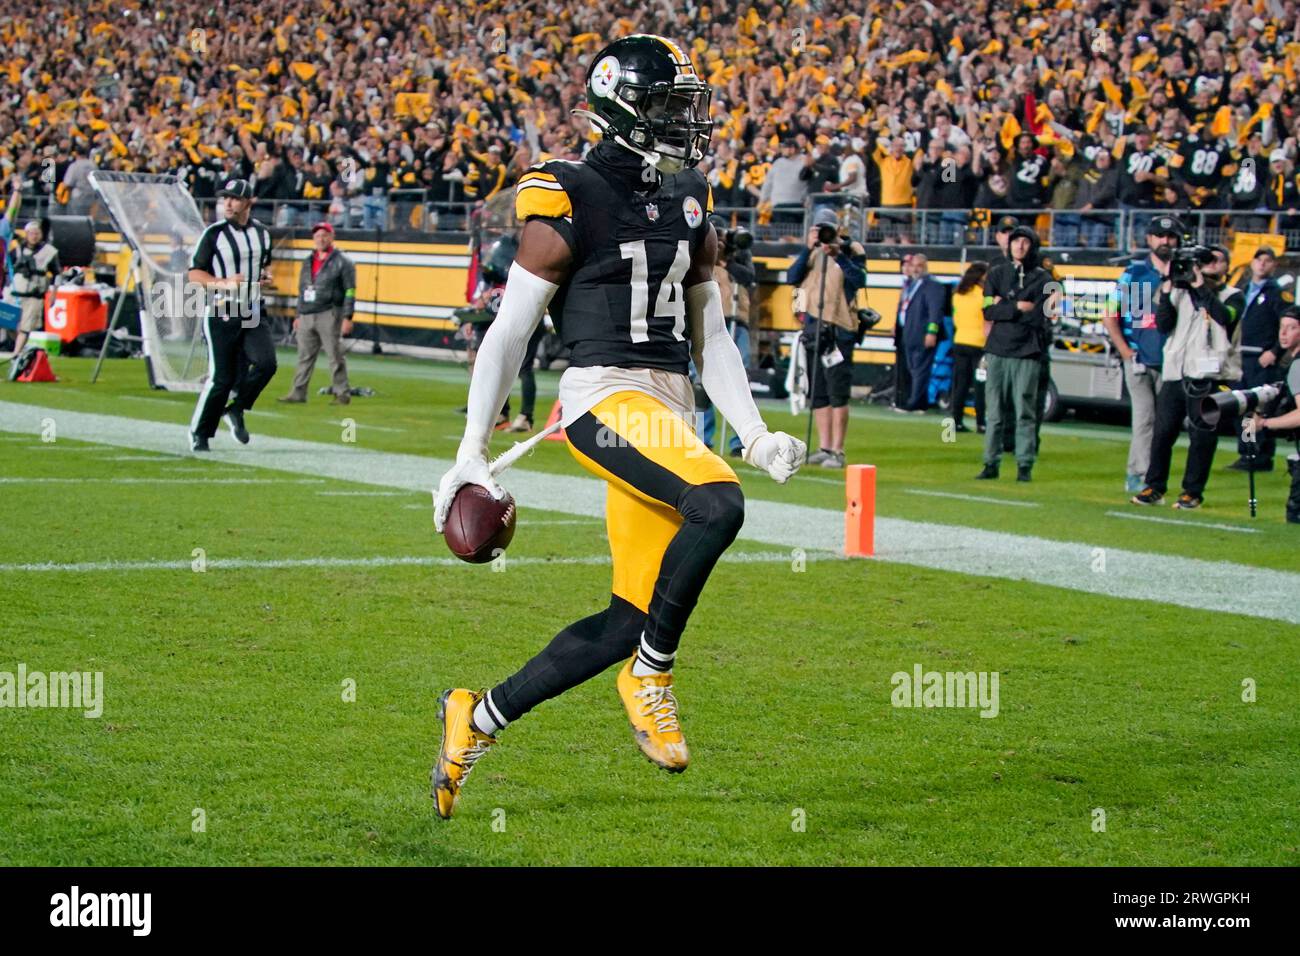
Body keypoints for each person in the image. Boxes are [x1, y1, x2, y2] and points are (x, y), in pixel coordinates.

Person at [429, 36, 806, 820]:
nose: (683, 122)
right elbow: (509, 333)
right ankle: (653, 674)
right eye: (669, 106)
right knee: (719, 504)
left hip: (668, 407)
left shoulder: (688, 193)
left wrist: (756, 431)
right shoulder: (565, 189)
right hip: (603, 399)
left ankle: (477, 714)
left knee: (623, 620)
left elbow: (711, 335)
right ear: (620, 108)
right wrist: (472, 450)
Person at [1131, 237, 1241, 510]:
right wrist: (1168, 289)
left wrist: (1200, 286)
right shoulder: (1181, 291)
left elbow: (1224, 317)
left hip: (1211, 376)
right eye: (1206, 260)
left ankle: (1192, 492)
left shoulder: (1233, 295)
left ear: (1227, 267)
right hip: (1176, 372)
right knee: (1162, 432)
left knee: (1202, 435)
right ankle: (1154, 486)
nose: (1210, 265)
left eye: (1217, 260)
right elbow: (1164, 325)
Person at [186, 178, 277, 452]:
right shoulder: (214, 233)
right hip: (222, 309)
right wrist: (223, 282)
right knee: (222, 378)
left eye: (234, 198)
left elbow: (263, 265)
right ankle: (200, 433)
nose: (227, 203)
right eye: (225, 198)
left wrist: (263, 278)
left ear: (248, 202)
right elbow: (194, 273)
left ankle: (236, 409)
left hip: (251, 308)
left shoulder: (262, 233)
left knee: (267, 363)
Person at [1103, 216, 1180, 493]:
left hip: (1170, 360)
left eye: (1170, 237)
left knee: (1165, 423)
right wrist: (1125, 351)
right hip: (1138, 357)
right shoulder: (1133, 273)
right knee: (1145, 418)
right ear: (1149, 239)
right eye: (1160, 236)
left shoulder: (1182, 274)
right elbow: (1109, 314)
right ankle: (1138, 473)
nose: (1165, 241)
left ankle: (1154, 474)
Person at [788, 208, 867, 468]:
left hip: (839, 327)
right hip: (814, 326)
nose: (823, 233)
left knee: (838, 391)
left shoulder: (852, 249)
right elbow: (792, 277)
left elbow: (859, 280)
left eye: (827, 228)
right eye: (818, 228)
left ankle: (837, 450)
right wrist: (808, 249)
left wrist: (839, 254)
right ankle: (824, 445)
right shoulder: (811, 253)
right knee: (819, 391)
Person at [977, 226, 1052, 482]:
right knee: (995, 413)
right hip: (997, 350)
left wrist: (1005, 306)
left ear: (1033, 246)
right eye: (1016, 241)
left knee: (1024, 412)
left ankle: (1024, 465)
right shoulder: (997, 273)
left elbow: (1042, 317)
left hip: (1027, 352)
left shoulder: (1045, 278)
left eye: (1025, 242)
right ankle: (990, 463)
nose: (1020, 246)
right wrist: (1019, 307)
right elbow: (987, 311)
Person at [279, 222, 356, 405]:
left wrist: (348, 317)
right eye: (317, 236)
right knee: (304, 356)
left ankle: (342, 392)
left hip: (330, 312)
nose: (320, 239)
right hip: (307, 313)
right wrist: (298, 315)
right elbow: (302, 289)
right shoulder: (308, 260)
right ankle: (298, 392)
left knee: (335, 355)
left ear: (332, 237)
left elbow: (350, 290)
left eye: (324, 235)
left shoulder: (343, 261)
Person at [1227, 247, 1289, 473]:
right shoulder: (1243, 289)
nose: (1262, 264)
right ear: (1252, 263)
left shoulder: (1277, 293)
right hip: (1241, 357)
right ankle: (1247, 452)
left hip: (1262, 359)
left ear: (1274, 265)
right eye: (1258, 260)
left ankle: (1260, 455)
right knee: (1242, 406)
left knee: (1260, 407)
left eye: (1267, 261)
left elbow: (1289, 325)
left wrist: (1275, 351)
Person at [1250, 309, 1300, 523]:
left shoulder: (1297, 366)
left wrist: (1265, 423)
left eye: (1292, 328)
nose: (1284, 333)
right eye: (1282, 327)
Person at [893, 253, 946, 414]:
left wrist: (932, 332)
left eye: (919, 266)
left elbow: (935, 311)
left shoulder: (932, 285)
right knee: (914, 368)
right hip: (909, 333)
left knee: (920, 369)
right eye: (913, 265)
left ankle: (914, 402)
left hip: (922, 334)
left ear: (926, 266)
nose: (915, 269)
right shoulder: (912, 284)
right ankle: (920, 403)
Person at [8, 220, 60, 356]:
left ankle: (16, 354)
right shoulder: (18, 249)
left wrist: (54, 293)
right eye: (31, 233)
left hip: (34, 295)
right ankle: (19, 346)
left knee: (26, 326)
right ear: (26, 234)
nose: (34, 236)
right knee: (9, 323)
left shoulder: (49, 252)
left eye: (37, 233)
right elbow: (7, 267)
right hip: (15, 294)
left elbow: (57, 274)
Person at [949, 261, 989, 434]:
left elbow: (955, 319)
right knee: (981, 384)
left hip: (960, 342)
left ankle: (955, 421)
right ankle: (981, 423)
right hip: (980, 345)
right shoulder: (985, 296)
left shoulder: (957, 295)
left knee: (960, 385)